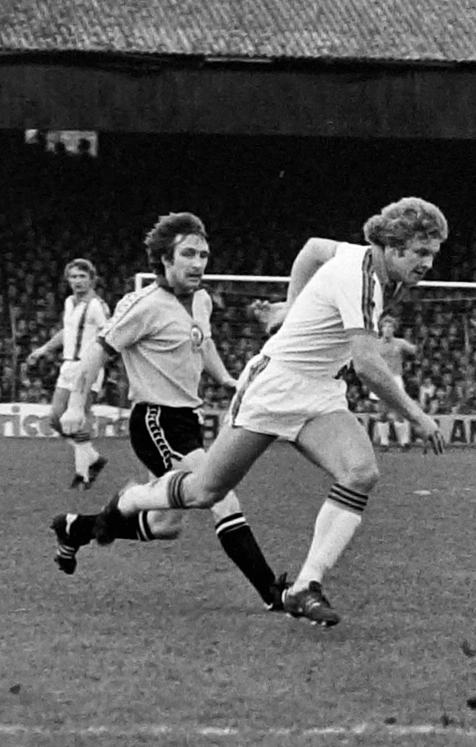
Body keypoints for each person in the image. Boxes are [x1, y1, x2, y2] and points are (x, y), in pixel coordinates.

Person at [58, 198, 451, 628]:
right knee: (207, 492)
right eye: (421, 252)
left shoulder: (379, 269)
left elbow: (312, 248)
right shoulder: (358, 275)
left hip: (320, 391)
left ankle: (305, 586)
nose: (429, 263)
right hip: (273, 388)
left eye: (433, 253)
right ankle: (134, 498)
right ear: (392, 246)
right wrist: (417, 416)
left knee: (360, 471)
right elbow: (367, 366)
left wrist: (291, 308)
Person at [48, 214, 283, 610]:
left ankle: (75, 528)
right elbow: (95, 353)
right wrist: (74, 405)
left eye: (203, 255)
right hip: (156, 420)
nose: (198, 263)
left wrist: (226, 379)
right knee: (220, 495)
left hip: (186, 421)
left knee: (164, 524)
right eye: (188, 254)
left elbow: (204, 343)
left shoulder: (202, 300)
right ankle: (273, 593)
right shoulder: (143, 306)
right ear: (165, 259)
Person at [27, 258, 112, 488]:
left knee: (77, 419)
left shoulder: (97, 306)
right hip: (68, 366)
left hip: (87, 367)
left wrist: (96, 365)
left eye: (82, 276)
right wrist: (44, 349)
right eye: (73, 277)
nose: (77, 281)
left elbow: (110, 334)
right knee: (56, 419)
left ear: (92, 279)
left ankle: (82, 475)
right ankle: (93, 458)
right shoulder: (69, 302)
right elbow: (68, 331)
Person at [372, 314, 419, 450]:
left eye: (390, 326)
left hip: (396, 378)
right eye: (385, 326)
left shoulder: (400, 343)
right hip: (381, 378)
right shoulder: (375, 344)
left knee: (398, 411)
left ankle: (404, 442)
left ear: (394, 329)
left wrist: (416, 343)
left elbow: (414, 350)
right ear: (381, 329)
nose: (387, 329)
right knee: (382, 412)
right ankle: (384, 443)